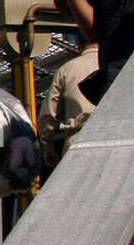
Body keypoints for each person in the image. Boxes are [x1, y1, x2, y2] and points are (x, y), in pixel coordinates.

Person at [38, 38, 99, 168]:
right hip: (114, 135)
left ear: (79, 47)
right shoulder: (115, 63)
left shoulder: (67, 69)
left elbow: (49, 113)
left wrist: (47, 145)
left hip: (77, 139)